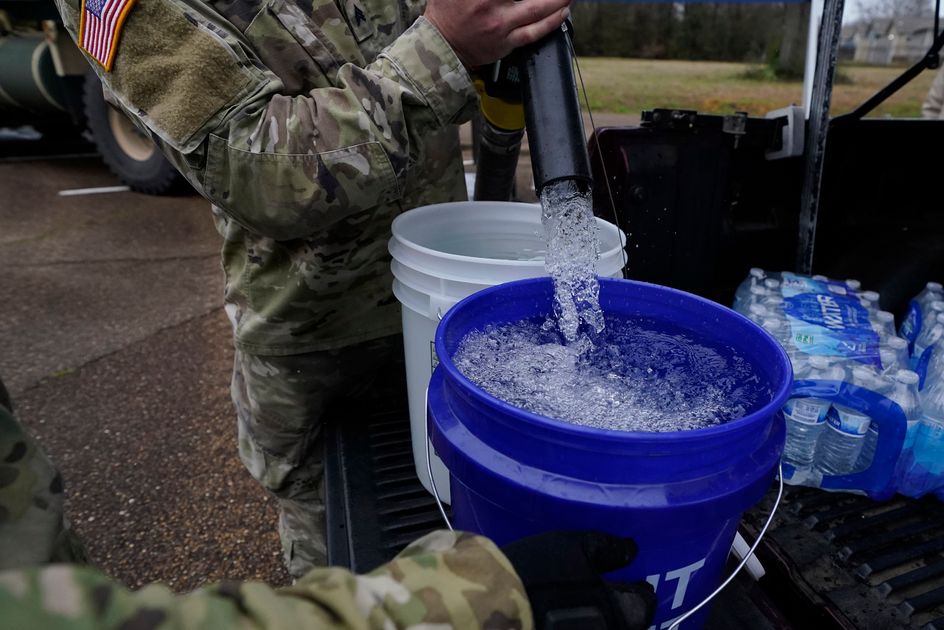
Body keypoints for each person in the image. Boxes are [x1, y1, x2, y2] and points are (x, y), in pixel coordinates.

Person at [50, 0, 571, 578]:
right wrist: (442, 49)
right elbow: (253, 170)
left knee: (480, 537)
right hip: (321, 349)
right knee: (348, 569)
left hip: (442, 306)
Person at [0, 375, 655, 628]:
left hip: (39, 559)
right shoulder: (116, 60)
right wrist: (468, 600)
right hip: (298, 347)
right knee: (319, 520)